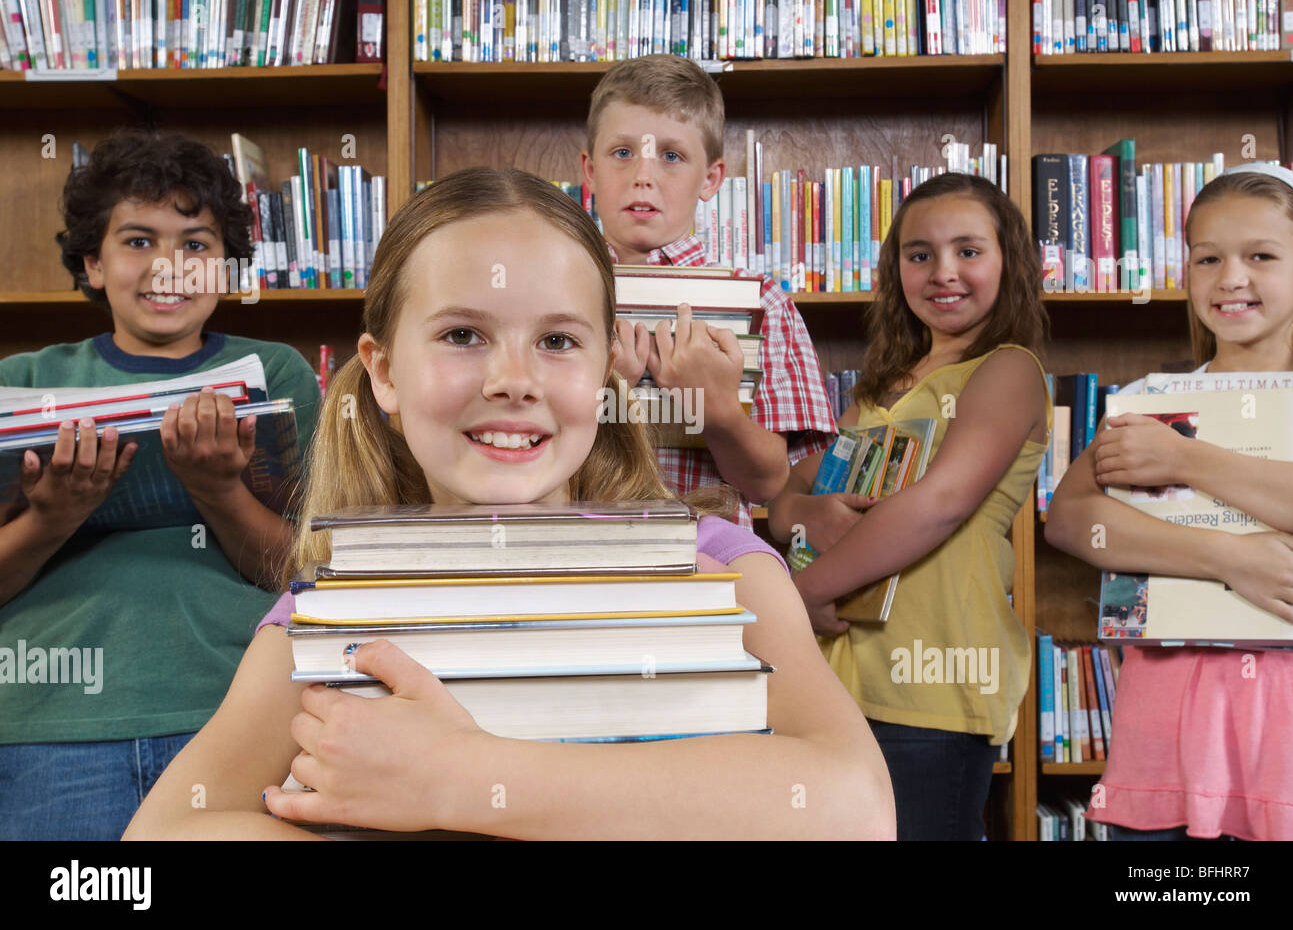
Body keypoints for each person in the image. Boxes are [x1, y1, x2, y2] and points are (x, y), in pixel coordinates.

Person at [123, 167, 895, 840]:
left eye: (559, 341)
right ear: (383, 372)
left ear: (604, 373)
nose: (514, 379)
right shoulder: (330, 616)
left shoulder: (720, 568)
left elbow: (854, 807)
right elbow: (163, 831)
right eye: (463, 333)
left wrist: (463, 778)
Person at [0, 129, 320, 839]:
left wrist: (219, 492)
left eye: (197, 244)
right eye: (138, 240)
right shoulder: (20, 384)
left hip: (237, 711)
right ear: (92, 261)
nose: (169, 266)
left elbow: (308, 574)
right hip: (50, 718)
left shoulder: (277, 375)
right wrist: (52, 516)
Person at [768, 172, 1051, 840]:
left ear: (1008, 261)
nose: (943, 271)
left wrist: (800, 592)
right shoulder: (881, 388)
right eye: (919, 254)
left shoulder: (1007, 369)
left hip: (935, 681)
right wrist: (811, 517)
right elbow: (784, 496)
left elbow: (941, 504)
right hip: (839, 675)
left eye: (968, 250)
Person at [1046, 162, 1293, 841]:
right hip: (1166, 731)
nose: (1231, 277)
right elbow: (1071, 519)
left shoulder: (1169, 432)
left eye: (1262, 256)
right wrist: (1226, 556)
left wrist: (1185, 458)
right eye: (1207, 257)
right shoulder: (1156, 400)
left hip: (1288, 742)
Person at [579, 54, 837, 528]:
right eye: (622, 152)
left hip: (705, 560)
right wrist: (604, 391)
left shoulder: (761, 304)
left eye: (671, 156)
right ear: (590, 171)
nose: (644, 175)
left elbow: (766, 484)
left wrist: (716, 407)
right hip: (577, 549)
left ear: (712, 179)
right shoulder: (555, 293)